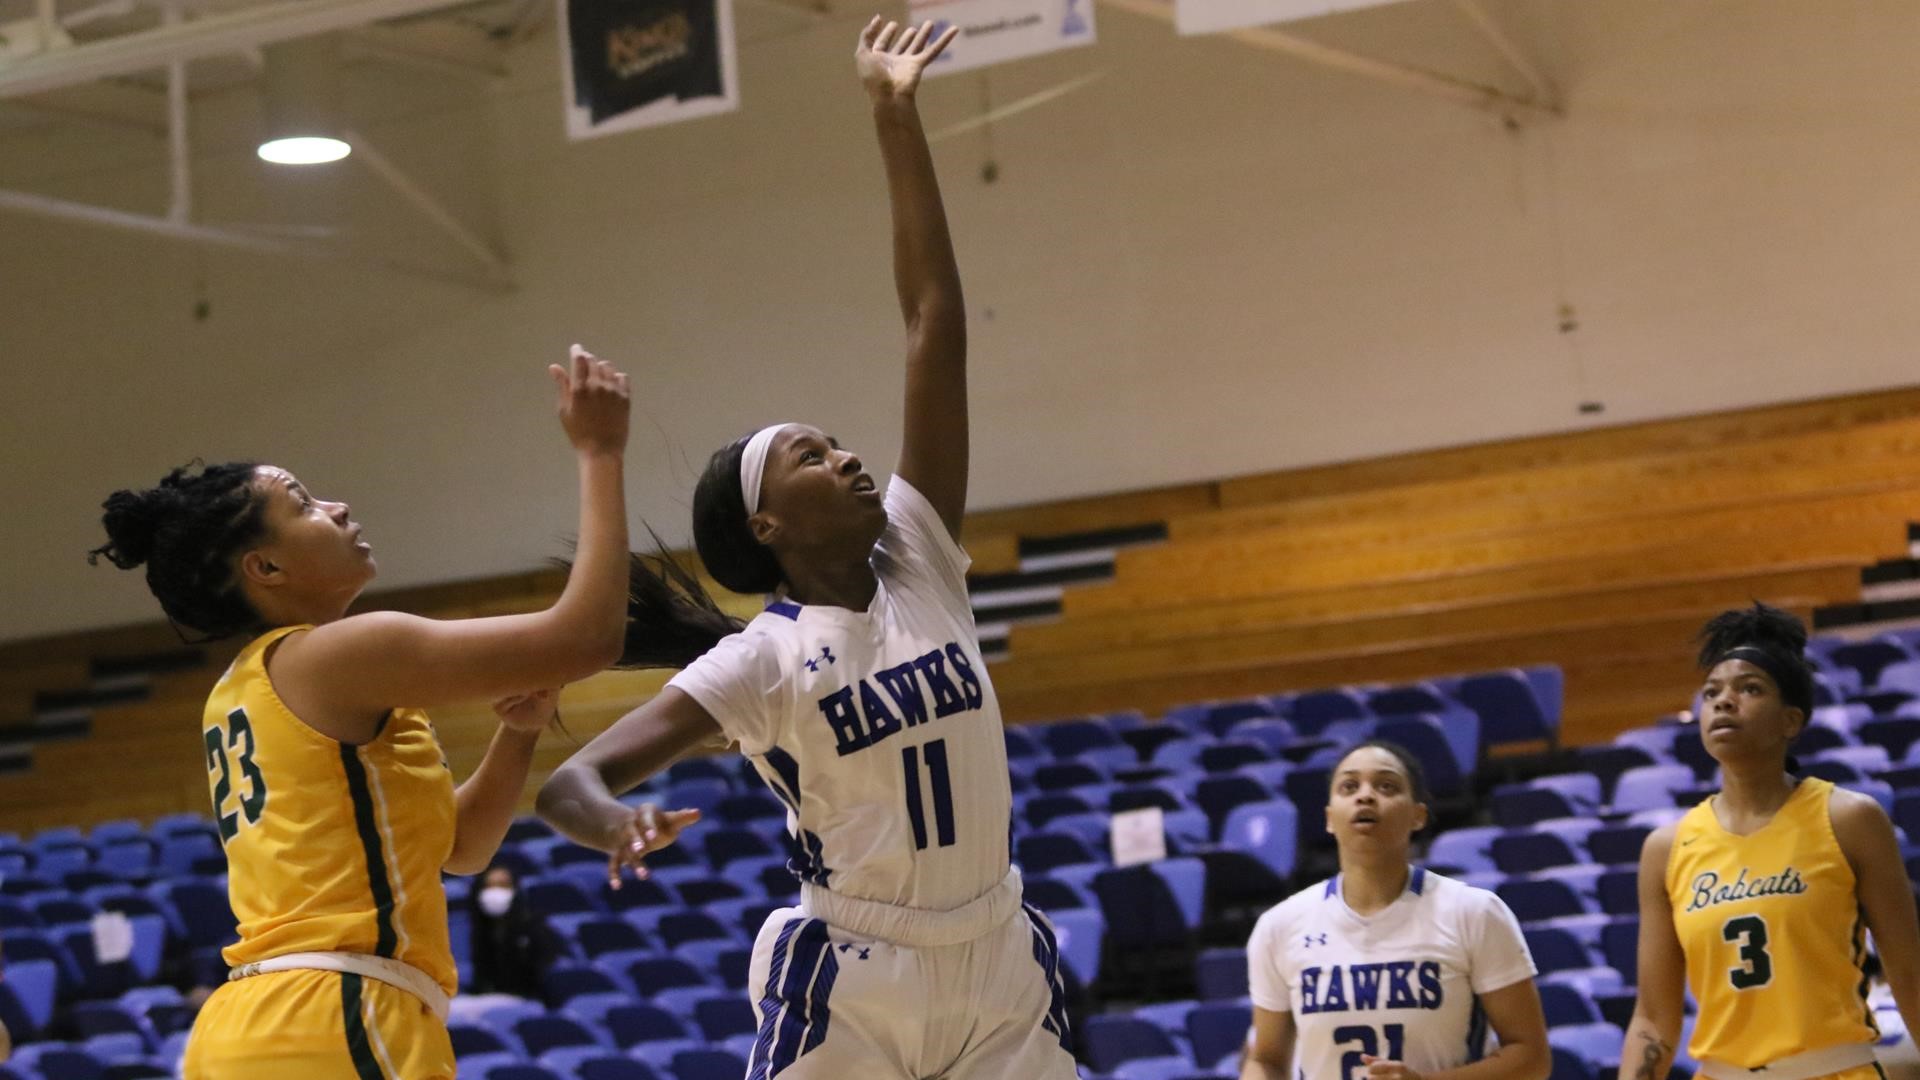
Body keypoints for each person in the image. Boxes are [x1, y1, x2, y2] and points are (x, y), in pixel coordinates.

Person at [535, 18, 1077, 1079]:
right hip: (854, 973)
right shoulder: (763, 660)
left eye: (835, 442)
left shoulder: (920, 553)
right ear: (766, 527)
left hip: (999, 955)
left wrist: (894, 113)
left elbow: (934, 320)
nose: (845, 456)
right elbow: (572, 782)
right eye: (808, 457)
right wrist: (615, 825)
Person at [88, 349, 678, 1079]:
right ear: (264, 569)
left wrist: (517, 733)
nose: (336, 507)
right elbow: (588, 637)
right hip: (334, 1016)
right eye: (303, 505)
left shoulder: (251, 688)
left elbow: (459, 848)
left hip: (261, 1025)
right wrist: (600, 452)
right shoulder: (337, 655)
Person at [1619, 603, 1920, 1080]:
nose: (1723, 701)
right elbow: (1654, 1018)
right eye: (1712, 692)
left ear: (1791, 721)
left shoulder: (1849, 818)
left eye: (1750, 688)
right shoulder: (1666, 848)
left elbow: (1910, 977)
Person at [1242, 741, 1550, 1080]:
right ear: (1330, 818)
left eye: (1386, 786)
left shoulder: (1475, 913)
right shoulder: (1280, 926)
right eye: (1349, 786)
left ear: (1418, 815)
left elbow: (1531, 1060)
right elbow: (1266, 1060)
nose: (1365, 796)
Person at [467, 864, 557, 999]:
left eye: (503, 885)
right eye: (489, 886)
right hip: (486, 997)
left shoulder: (534, 927)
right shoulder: (474, 929)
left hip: (527, 997)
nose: (495, 892)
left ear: (515, 889)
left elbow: (542, 971)